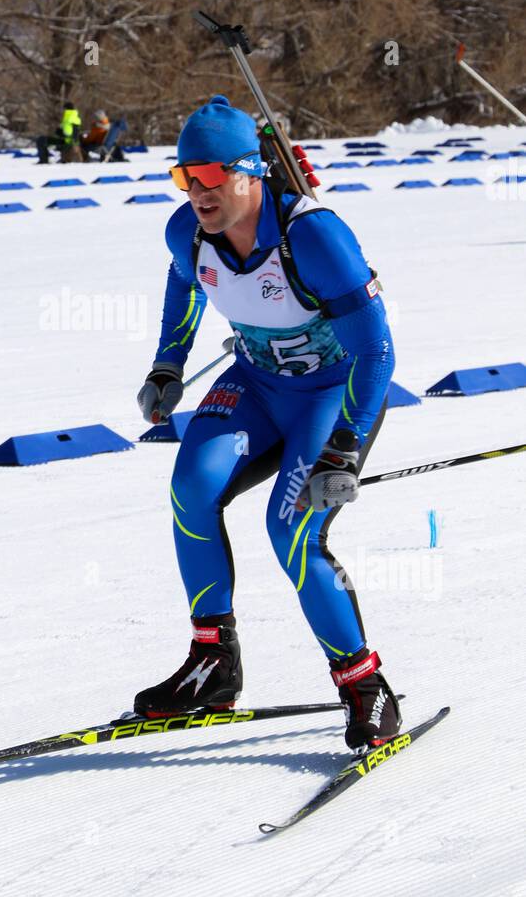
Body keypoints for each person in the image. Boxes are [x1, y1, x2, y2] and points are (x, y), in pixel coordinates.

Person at [135, 94, 399, 753]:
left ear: (250, 172)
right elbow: (183, 285)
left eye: (210, 177)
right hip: (255, 386)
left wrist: (342, 451)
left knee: (291, 530)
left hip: (331, 397)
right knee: (191, 487)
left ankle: (367, 688)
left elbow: (377, 351)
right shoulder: (187, 232)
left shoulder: (314, 236)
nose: (196, 192)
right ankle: (212, 666)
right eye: (183, 177)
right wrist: (168, 366)